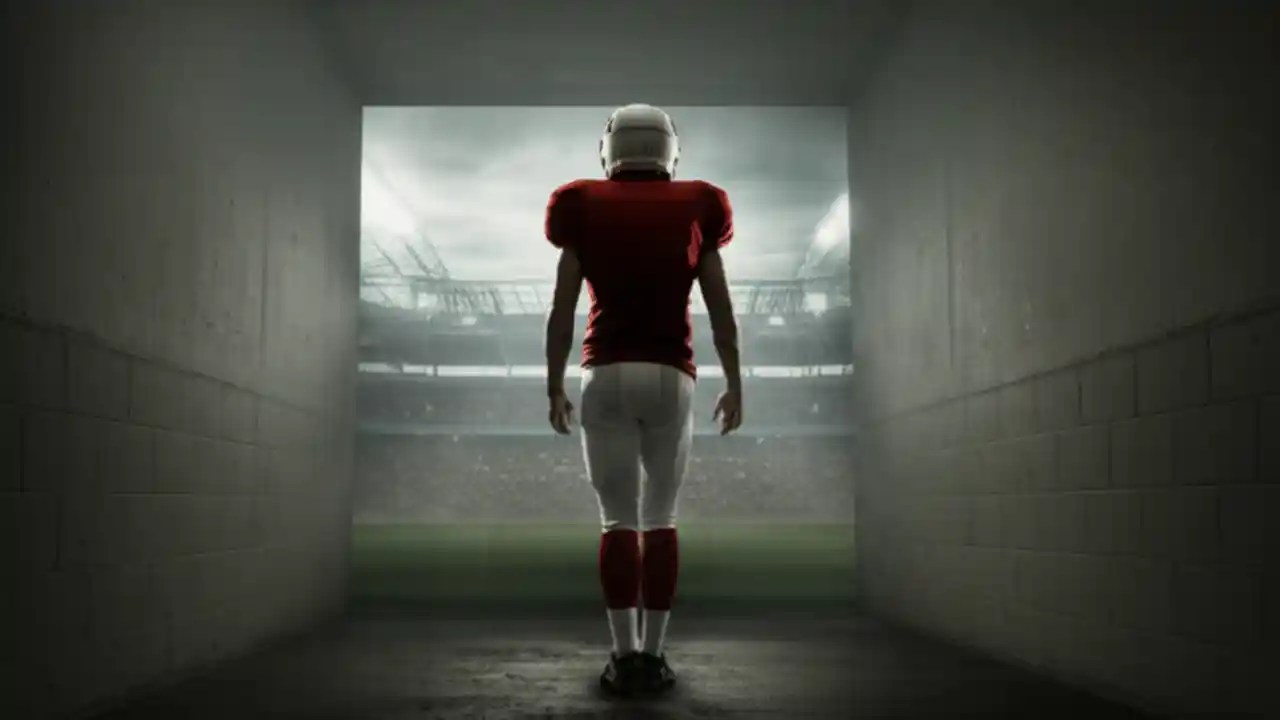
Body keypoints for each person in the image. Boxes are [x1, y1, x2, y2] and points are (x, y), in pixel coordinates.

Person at [542, 103, 743, 697]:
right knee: (660, 519)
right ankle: (654, 657)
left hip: (603, 370)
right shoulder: (700, 203)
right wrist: (736, 380)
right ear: (668, 149)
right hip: (669, 372)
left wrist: (553, 383)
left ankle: (622, 654)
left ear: (611, 149)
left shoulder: (580, 204)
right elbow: (720, 311)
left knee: (617, 521)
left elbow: (562, 311)